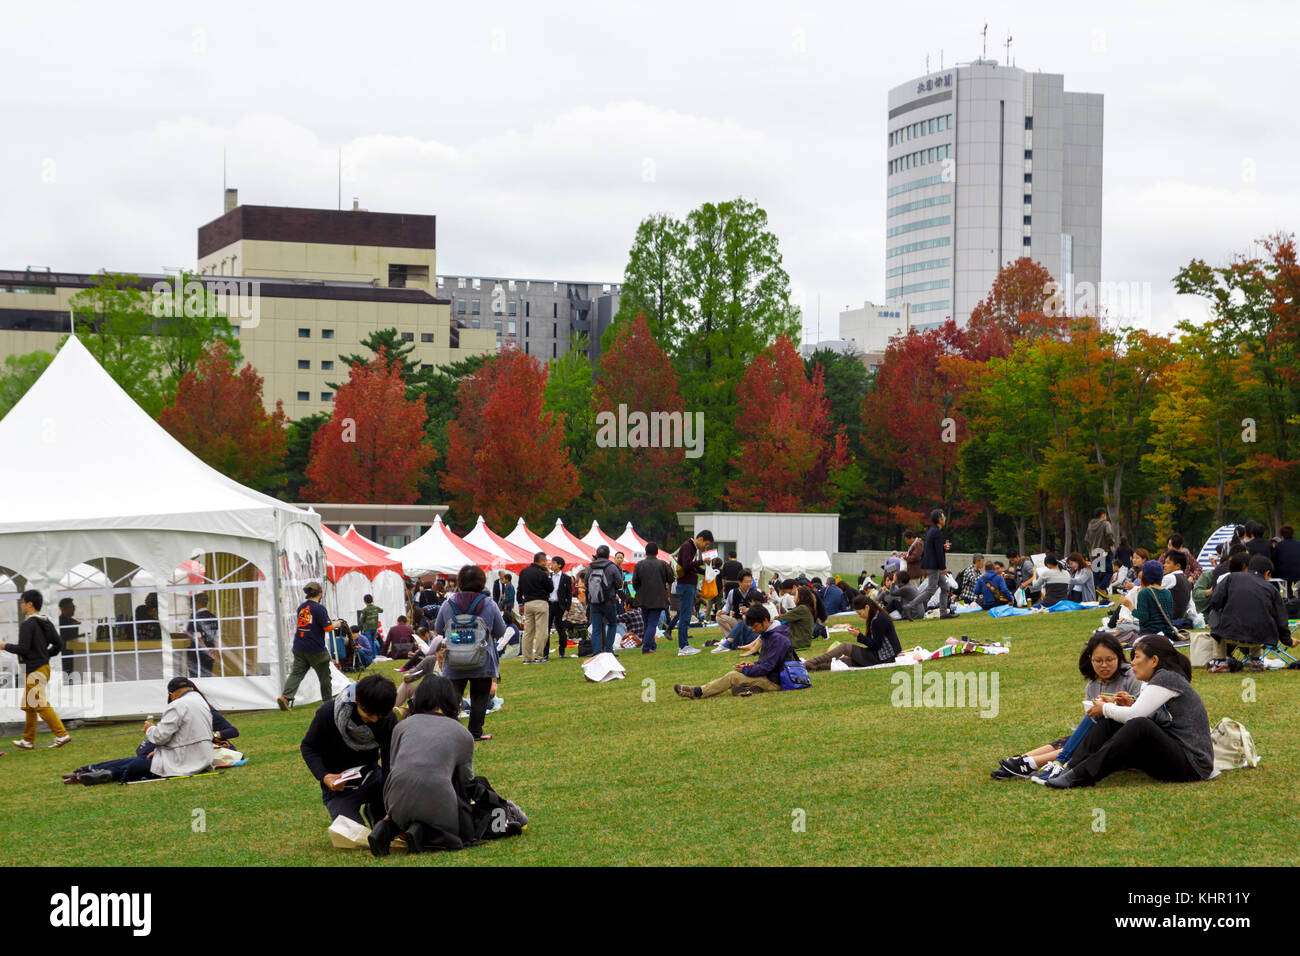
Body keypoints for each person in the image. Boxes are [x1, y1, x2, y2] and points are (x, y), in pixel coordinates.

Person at [1045, 635, 1214, 789]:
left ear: (1153, 660)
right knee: (1114, 719)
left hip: (1193, 766)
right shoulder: (1161, 678)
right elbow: (1153, 716)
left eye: (1137, 657)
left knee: (1139, 724)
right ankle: (1072, 768)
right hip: (1175, 756)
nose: (1132, 662)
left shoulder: (1166, 677)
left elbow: (1136, 716)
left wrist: (1104, 708)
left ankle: (1080, 775)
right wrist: (1129, 703)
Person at [368, 674, 477, 856]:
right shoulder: (462, 733)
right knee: (452, 791)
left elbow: (395, 766)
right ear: (452, 698)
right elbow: (467, 779)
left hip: (396, 801)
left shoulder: (401, 727)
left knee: (407, 802)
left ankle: (387, 827)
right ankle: (421, 831)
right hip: (438, 805)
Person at [65, 681, 239, 784]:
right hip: (199, 757)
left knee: (135, 765)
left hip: (182, 761)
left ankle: (95, 773)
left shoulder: (177, 705)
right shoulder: (203, 704)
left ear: (172, 695)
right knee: (137, 761)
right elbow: (183, 736)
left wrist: (149, 729)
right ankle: (89, 770)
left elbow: (159, 737)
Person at [301, 674, 398, 825]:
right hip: (338, 787)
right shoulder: (329, 712)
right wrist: (325, 776)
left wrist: (391, 802)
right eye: (369, 714)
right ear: (357, 700)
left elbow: (389, 760)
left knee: (396, 820)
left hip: (371, 776)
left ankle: (376, 810)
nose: (373, 720)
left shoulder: (387, 718)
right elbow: (308, 747)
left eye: (379, 716)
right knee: (351, 834)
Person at [435, 564, 506, 741]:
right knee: (480, 696)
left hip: (454, 659)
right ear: (482, 583)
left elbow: (438, 628)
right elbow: (500, 631)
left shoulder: (448, 603)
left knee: (453, 697)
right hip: (482, 659)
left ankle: (451, 732)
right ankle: (475, 732)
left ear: (459, 582)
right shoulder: (489, 604)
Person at [673, 604, 795, 699]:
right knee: (737, 677)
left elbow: (768, 666)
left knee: (732, 677)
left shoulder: (778, 638)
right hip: (772, 677)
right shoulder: (771, 634)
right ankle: (752, 688)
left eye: (755, 626)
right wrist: (752, 664)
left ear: (765, 620)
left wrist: (747, 670)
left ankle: (698, 692)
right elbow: (768, 662)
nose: (753, 630)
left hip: (776, 683)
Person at [5, 589, 71, 749]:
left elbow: (24, 648)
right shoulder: (45, 621)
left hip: (34, 668)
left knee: (38, 703)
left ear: (29, 604)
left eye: (21, 602)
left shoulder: (28, 624)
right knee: (30, 704)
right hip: (42, 666)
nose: (20, 605)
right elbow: (60, 644)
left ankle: (62, 734)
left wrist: (4, 645)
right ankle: (28, 740)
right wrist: (46, 655)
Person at [1206, 555, 1294, 672]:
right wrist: (1288, 641)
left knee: (1216, 616)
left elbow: (1215, 601)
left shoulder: (1231, 578)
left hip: (1228, 634)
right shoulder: (1271, 589)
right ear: (1267, 573)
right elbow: (1281, 619)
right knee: (1259, 616)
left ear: (1248, 567)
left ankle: (1220, 661)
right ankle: (1256, 660)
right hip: (1261, 638)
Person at [278, 581, 337, 711]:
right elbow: (327, 627)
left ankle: (285, 698)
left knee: (296, 674)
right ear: (320, 594)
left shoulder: (302, 607)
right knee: (324, 676)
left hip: (299, 646)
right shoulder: (319, 608)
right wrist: (337, 624)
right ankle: (328, 702)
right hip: (315, 649)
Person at [803, 594, 901, 670]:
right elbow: (877, 642)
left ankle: (810, 662)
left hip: (882, 658)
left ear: (867, 607)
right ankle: (811, 666)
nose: (860, 616)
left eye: (859, 613)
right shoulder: (878, 617)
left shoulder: (878, 620)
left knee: (844, 647)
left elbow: (876, 645)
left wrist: (859, 636)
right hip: (884, 656)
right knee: (843, 662)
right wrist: (860, 636)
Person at [1112, 560, 1176, 641]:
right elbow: (1169, 615)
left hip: (1149, 633)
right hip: (1167, 633)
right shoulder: (1167, 592)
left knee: (1122, 626)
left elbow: (1143, 617)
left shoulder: (1145, 592)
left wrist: (1129, 605)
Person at [672, 529, 712, 657]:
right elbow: (687, 565)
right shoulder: (687, 546)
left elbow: (692, 568)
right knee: (685, 616)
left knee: (686, 615)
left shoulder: (691, 548)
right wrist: (702, 561)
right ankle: (682, 647)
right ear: (700, 539)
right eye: (705, 544)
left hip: (688, 585)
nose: (705, 547)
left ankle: (685, 645)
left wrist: (707, 572)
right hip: (685, 586)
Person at [632, 543, 673, 654]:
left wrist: (639, 591)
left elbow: (634, 582)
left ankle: (652, 645)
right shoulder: (663, 564)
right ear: (657, 552)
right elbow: (671, 578)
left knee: (646, 623)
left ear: (646, 552)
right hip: (658, 598)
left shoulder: (639, 564)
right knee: (652, 624)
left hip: (643, 598)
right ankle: (646, 647)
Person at [585, 545, 624, 656]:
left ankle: (596, 651)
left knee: (596, 627)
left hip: (594, 602)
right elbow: (618, 583)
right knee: (612, 624)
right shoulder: (611, 567)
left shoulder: (591, 567)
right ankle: (609, 649)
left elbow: (586, 582)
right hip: (608, 601)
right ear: (608, 555)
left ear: (597, 554)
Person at [515, 551, 552, 664]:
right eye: (545, 561)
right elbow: (550, 588)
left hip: (528, 603)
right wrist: (548, 576)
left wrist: (520, 602)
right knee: (542, 631)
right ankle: (539, 656)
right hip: (540, 602)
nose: (546, 563)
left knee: (528, 631)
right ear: (541, 561)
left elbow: (519, 589)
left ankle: (526, 657)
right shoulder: (542, 573)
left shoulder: (524, 572)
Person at [185, 592, 220, 678]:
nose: (190, 606)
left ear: (196, 603)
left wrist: (206, 651)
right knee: (207, 676)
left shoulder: (195, 617)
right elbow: (217, 635)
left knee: (196, 678)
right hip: (211, 653)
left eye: (191, 603)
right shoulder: (213, 617)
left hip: (197, 653)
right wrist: (214, 650)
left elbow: (197, 637)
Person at [545, 557, 573, 659]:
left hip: (559, 606)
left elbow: (569, 594)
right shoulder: (548, 577)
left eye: (553, 563)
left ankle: (562, 650)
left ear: (559, 565)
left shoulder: (566, 578)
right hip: (549, 605)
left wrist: (567, 608)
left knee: (561, 629)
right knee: (546, 629)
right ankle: (545, 652)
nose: (551, 565)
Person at [1083, 507, 1116, 592]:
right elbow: (1109, 534)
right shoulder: (1105, 523)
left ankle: (1095, 594)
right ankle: (1101, 588)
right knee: (1109, 571)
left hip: (1094, 553)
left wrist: (1090, 549)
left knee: (1096, 574)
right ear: (1103, 515)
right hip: (1103, 551)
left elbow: (1086, 539)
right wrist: (1111, 543)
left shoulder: (1090, 526)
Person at [778, 585, 817, 650]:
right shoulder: (806, 608)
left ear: (801, 597)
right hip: (803, 642)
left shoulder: (802, 609)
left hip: (798, 643)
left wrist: (769, 620)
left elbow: (781, 618)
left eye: (795, 595)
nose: (793, 598)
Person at [1160, 550, 1193, 626]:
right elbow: (1191, 606)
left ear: (1178, 566)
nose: (1164, 565)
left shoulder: (1170, 577)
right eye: (1165, 562)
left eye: (1168, 563)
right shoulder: (1187, 581)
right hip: (1178, 622)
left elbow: (1152, 592)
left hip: (1165, 621)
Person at [1273, 525, 1300, 599]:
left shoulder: (1279, 545)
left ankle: (1288, 596)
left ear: (1281, 535)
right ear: (1292, 534)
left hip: (1283, 573)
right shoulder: (1299, 544)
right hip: (1298, 572)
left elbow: (1274, 559)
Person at [57, 597, 80, 676]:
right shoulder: (59, 622)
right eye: (71, 607)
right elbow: (64, 637)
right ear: (63, 609)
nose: (74, 609)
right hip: (64, 654)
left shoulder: (72, 621)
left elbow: (73, 637)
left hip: (73, 654)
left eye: (74, 607)